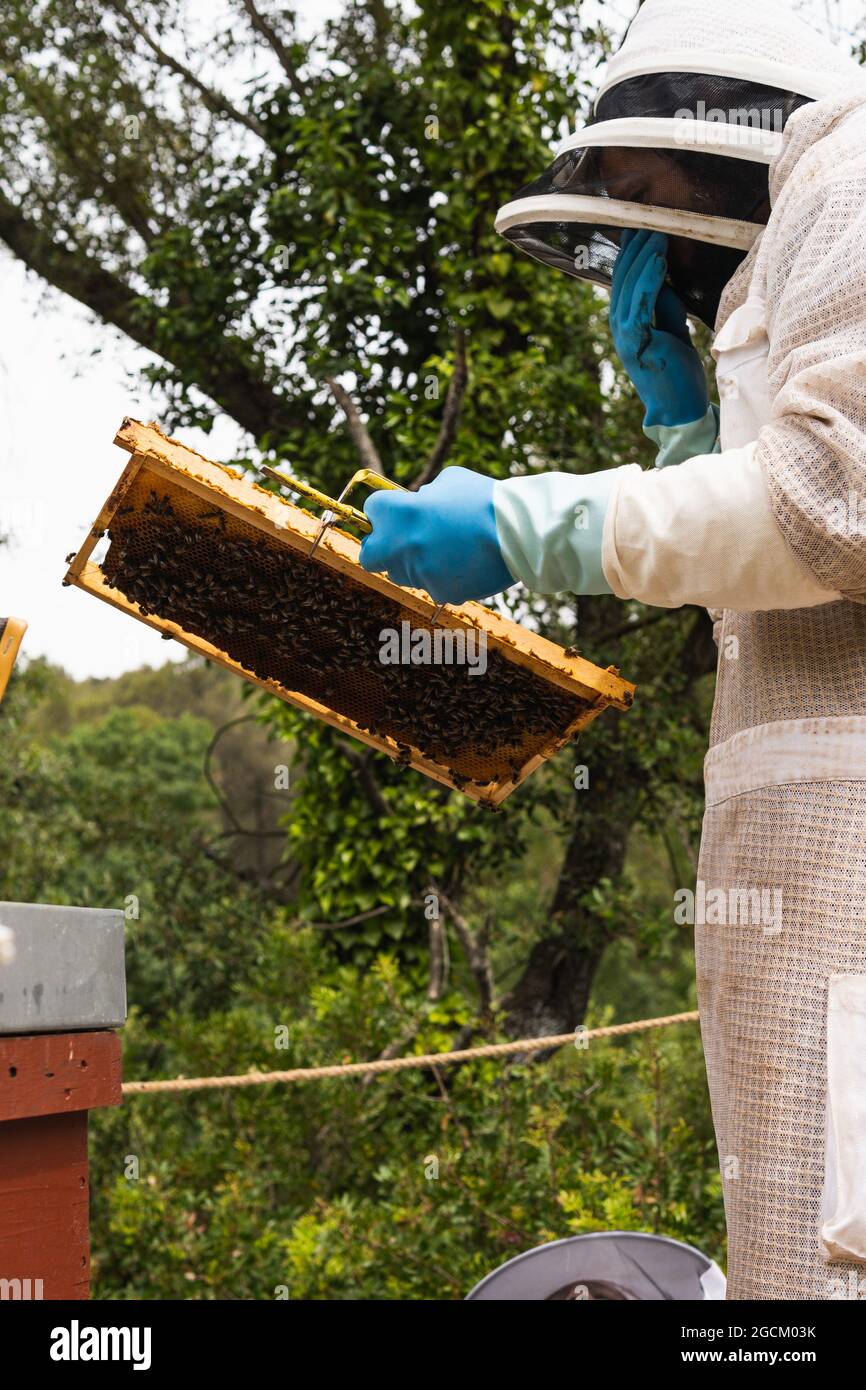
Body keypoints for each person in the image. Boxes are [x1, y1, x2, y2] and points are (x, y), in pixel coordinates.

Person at [359, 0, 866, 1300]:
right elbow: (790, 591)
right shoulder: (792, 233)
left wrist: (535, 521)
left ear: (720, 136)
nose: (644, 239)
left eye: (642, 194)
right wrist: (690, 437)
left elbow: (833, 502)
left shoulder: (852, 178)